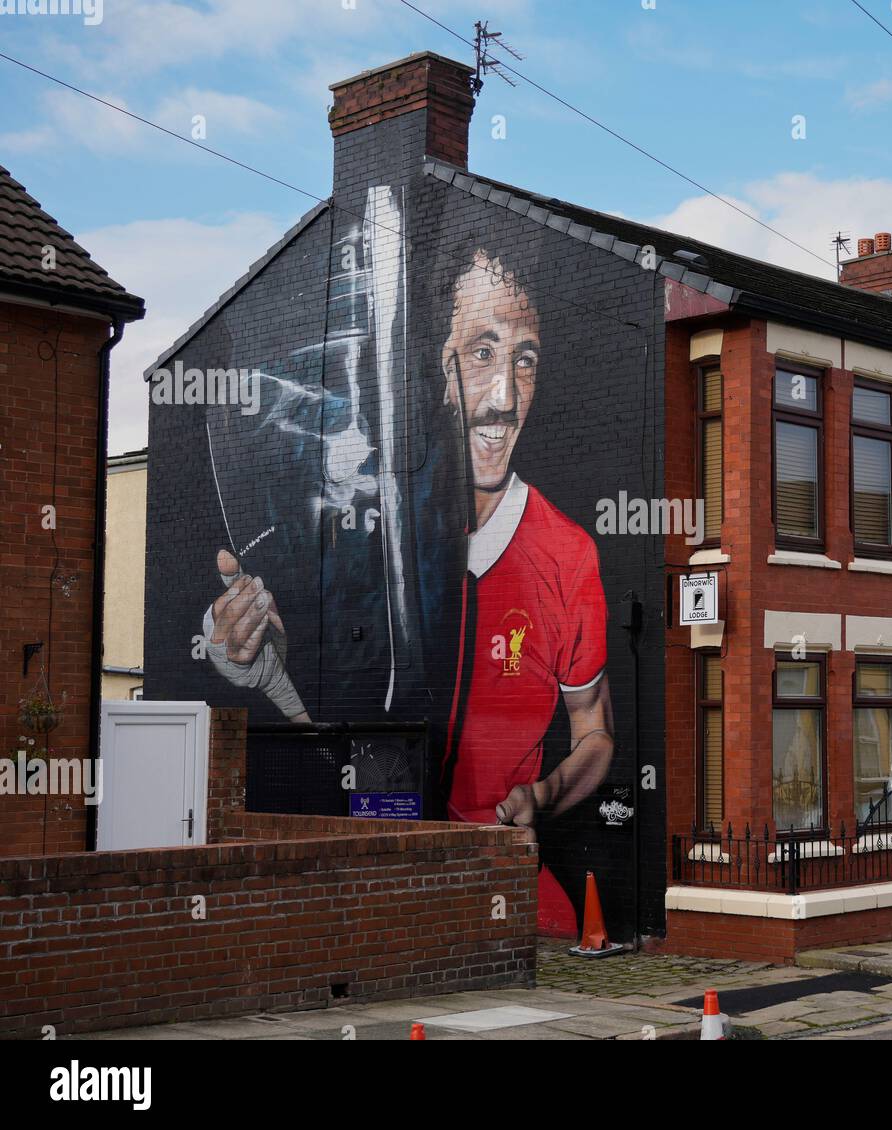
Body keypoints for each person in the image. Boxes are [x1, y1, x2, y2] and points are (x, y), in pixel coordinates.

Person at [205, 241, 615, 934]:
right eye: (483, 352)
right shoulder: (369, 531)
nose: (505, 398)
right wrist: (256, 668)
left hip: (505, 895)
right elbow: (319, 711)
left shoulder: (569, 554)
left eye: (525, 358)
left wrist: (541, 794)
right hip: (379, 887)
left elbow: (595, 733)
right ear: (442, 369)